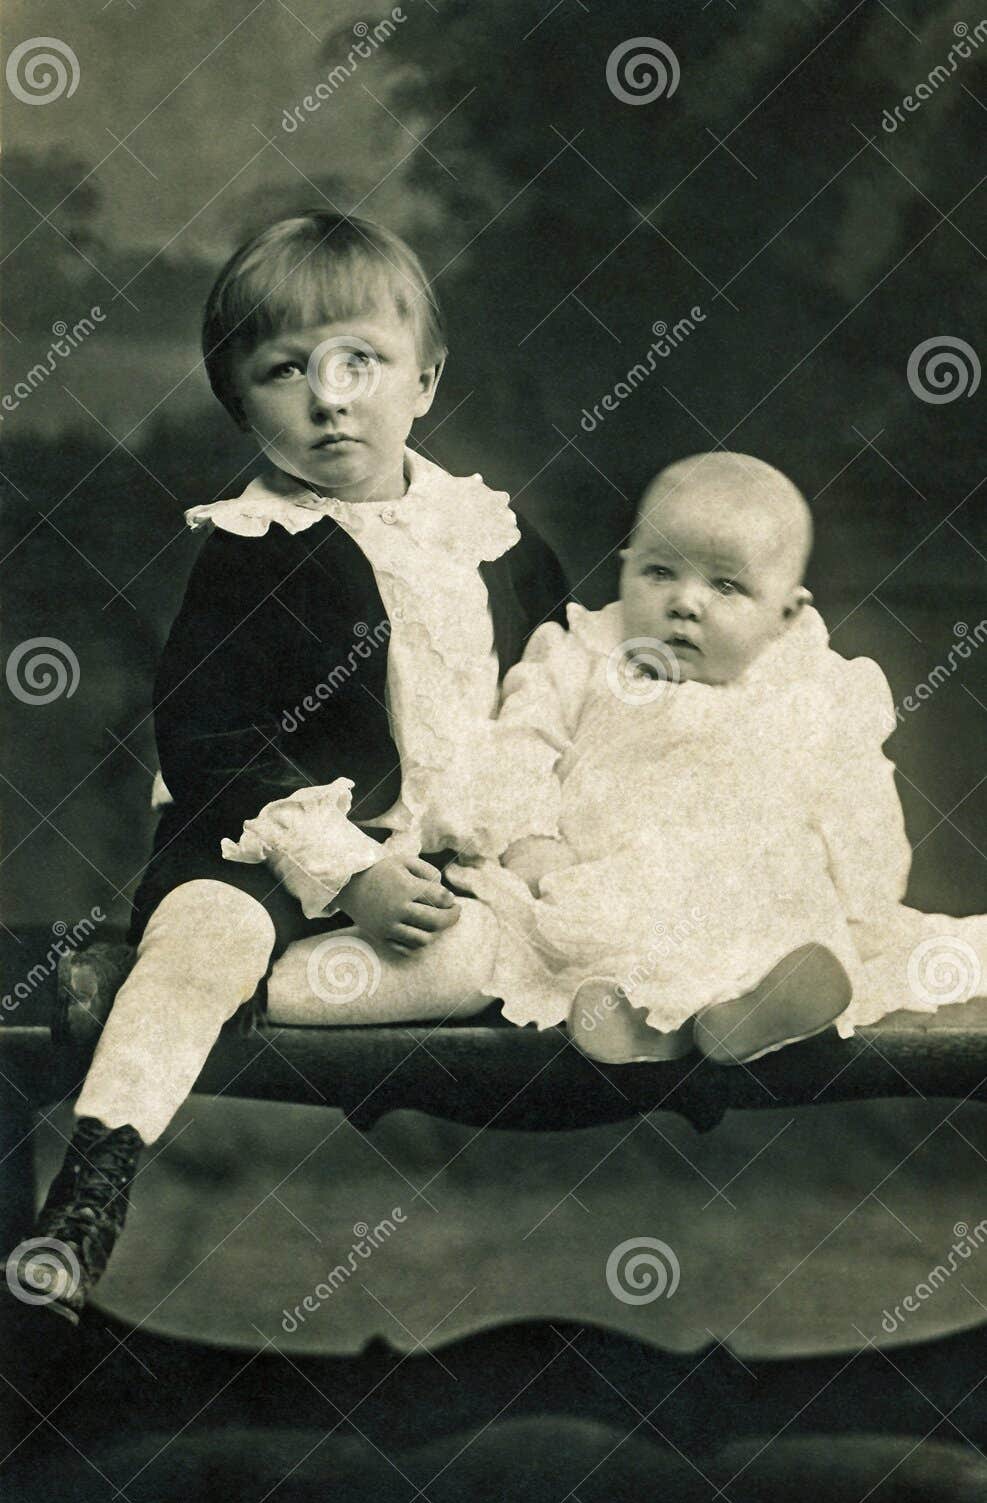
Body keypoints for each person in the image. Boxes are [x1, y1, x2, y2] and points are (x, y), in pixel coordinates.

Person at [4, 211, 568, 1324]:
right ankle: (94, 1186)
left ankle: (323, 988)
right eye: (283, 370)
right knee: (204, 934)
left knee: (524, 936)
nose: (330, 396)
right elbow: (211, 740)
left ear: (426, 378)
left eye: (362, 361)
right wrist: (347, 869)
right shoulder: (252, 552)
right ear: (242, 402)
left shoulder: (493, 538)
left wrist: (521, 835)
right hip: (264, 843)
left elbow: (550, 695)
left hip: (451, 868)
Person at [449, 452, 987, 1065]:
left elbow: (855, 792)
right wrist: (529, 841)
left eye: (725, 585)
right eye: (658, 572)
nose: (685, 602)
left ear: (785, 614)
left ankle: (758, 1009)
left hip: (748, 878)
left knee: (781, 916)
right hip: (607, 869)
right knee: (586, 932)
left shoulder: (810, 684)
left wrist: (867, 899)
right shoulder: (582, 655)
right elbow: (521, 744)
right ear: (624, 570)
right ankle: (637, 1021)